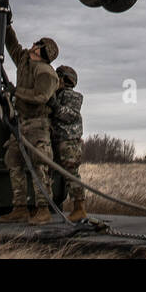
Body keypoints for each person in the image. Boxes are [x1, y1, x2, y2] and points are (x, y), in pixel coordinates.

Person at [0, 24, 60, 225]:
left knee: (39, 165)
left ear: (41, 51)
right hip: (20, 123)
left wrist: (15, 92)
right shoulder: (24, 60)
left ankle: (43, 209)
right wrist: (6, 24)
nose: (32, 44)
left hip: (37, 125)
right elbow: (11, 45)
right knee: (13, 160)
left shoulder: (46, 73)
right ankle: (20, 208)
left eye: (37, 44)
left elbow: (41, 96)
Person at [50, 65, 87, 222]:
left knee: (71, 175)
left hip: (69, 142)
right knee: (57, 175)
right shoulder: (57, 95)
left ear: (65, 80)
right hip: (58, 140)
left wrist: (54, 105)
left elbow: (70, 115)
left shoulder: (73, 96)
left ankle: (79, 208)